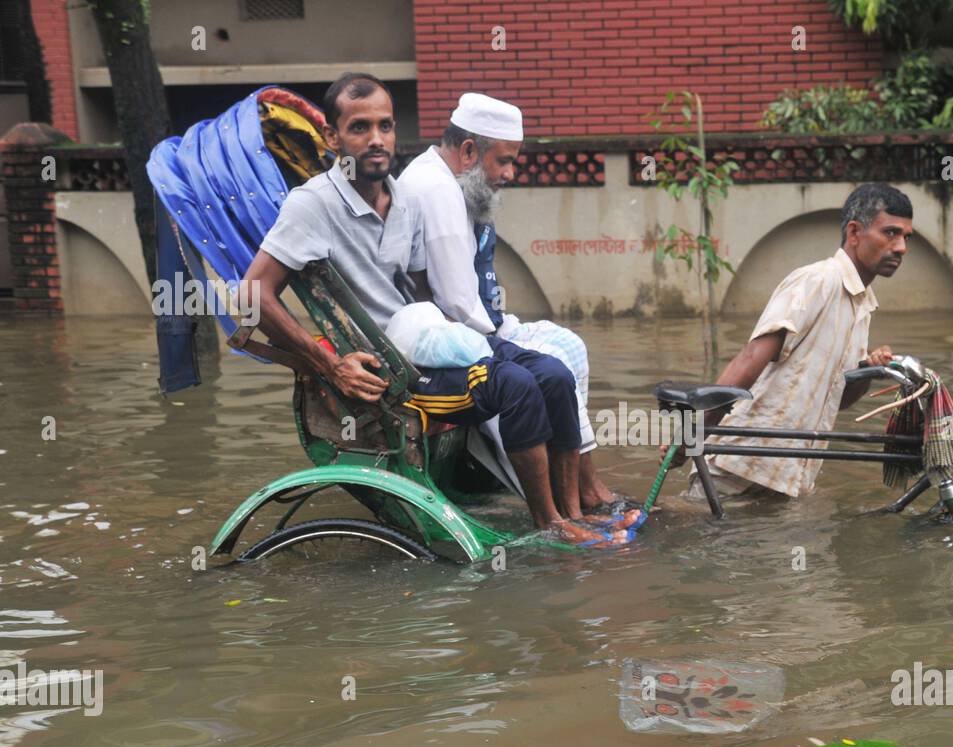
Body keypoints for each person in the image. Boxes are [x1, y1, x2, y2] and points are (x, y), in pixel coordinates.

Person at [239, 72, 626, 545]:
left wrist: (472, 339)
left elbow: (425, 294)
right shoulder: (312, 204)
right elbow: (252, 294)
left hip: (429, 344)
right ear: (332, 136)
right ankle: (551, 525)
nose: (376, 139)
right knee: (517, 386)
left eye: (385, 126)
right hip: (393, 375)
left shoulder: (403, 200)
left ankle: (575, 511)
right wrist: (332, 365)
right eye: (359, 128)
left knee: (554, 372)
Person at [399, 93, 642, 530]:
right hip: (452, 338)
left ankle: (582, 493)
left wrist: (506, 327)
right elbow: (456, 301)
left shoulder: (450, 181)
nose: (510, 174)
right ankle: (570, 504)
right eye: (504, 161)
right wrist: (505, 341)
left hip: (473, 325)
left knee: (569, 346)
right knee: (552, 364)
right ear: (469, 151)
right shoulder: (436, 189)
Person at [661, 183, 912, 500]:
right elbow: (751, 357)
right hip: (741, 464)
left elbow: (837, 398)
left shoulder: (863, 305)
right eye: (891, 233)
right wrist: (694, 434)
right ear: (854, 233)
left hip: (790, 476)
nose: (901, 247)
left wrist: (870, 371)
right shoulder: (818, 280)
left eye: (905, 237)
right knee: (694, 533)